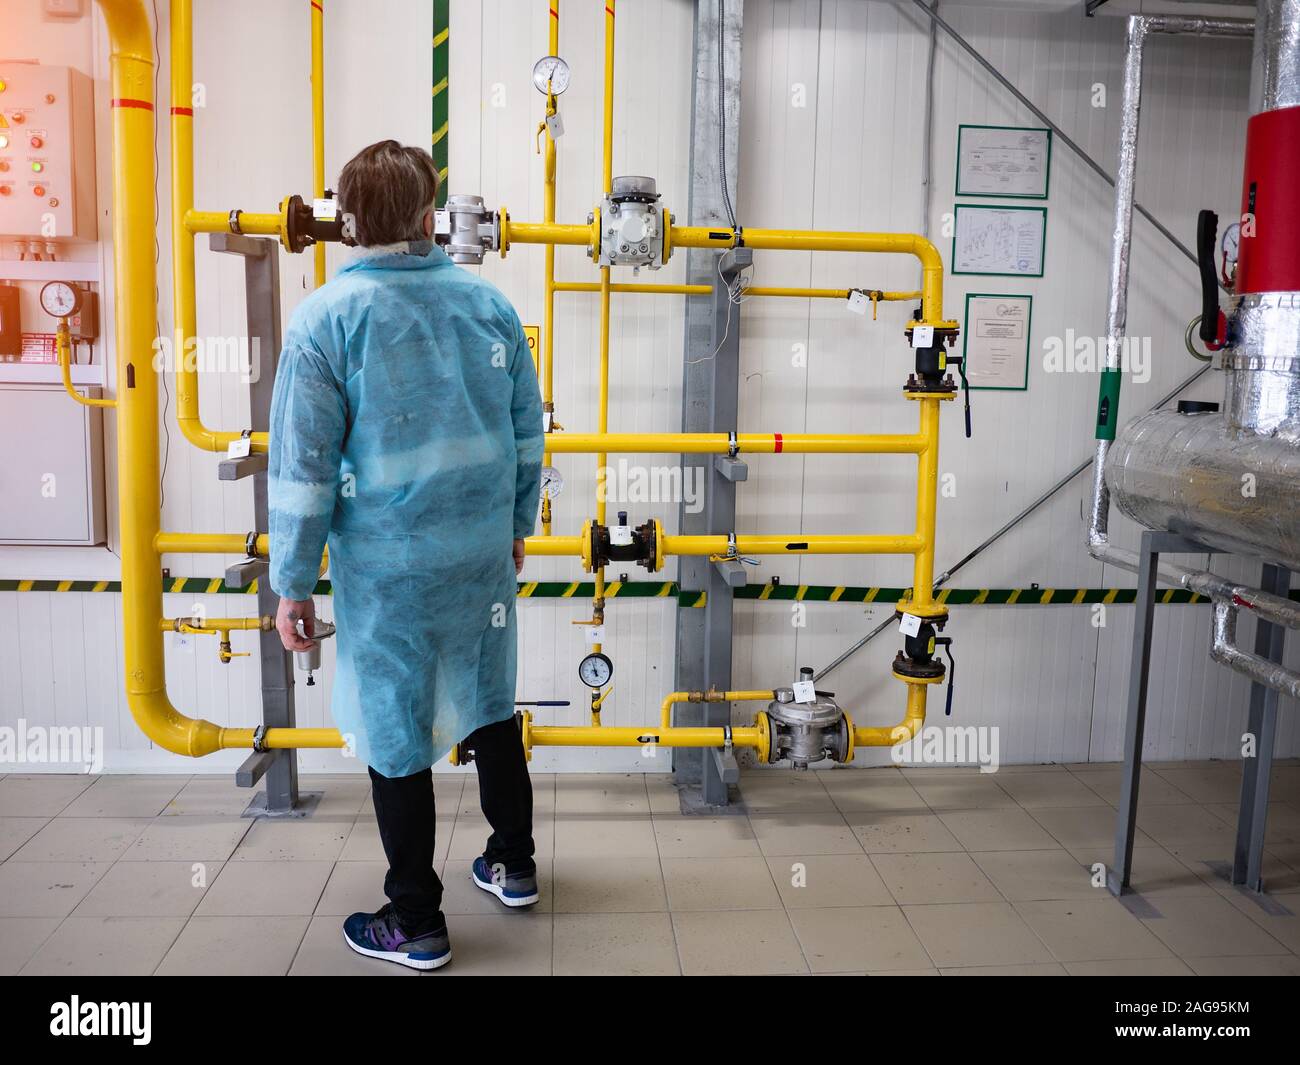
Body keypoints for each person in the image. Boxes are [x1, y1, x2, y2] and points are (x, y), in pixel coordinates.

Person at [267, 140, 544, 971]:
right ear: (431, 216)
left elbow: (304, 468)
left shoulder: (325, 321)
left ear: (345, 223)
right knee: (492, 701)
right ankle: (512, 860)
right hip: (479, 554)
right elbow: (529, 433)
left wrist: (292, 582)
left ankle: (415, 917)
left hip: (387, 568)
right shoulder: (489, 308)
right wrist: (518, 524)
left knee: (395, 731)